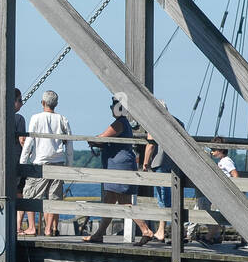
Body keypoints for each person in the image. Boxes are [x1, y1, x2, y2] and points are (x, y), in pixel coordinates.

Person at [83, 97, 154, 244]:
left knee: (124, 202)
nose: (111, 108)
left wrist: (92, 139)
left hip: (119, 167)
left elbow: (102, 138)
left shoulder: (119, 123)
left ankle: (146, 230)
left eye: (113, 106)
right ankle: (99, 234)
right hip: (118, 165)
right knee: (109, 201)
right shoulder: (124, 123)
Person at [20, 90, 74, 237]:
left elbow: (29, 142)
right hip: (58, 162)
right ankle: (48, 229)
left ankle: (32, 227)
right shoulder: (63, 119)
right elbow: (69, 144)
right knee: (54, 198)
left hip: (40, 163)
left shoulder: (36, 118)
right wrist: (69, 165)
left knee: (30, 195)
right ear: (56, 104)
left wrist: (22, 163)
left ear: (43, 103)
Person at [140, 102, 189, 244]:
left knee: (162, 198)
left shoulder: (155, 122)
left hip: (160, 162)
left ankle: (163, 232)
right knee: (174, 197)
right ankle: (174, 231)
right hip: (175, 163)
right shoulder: (179, 122)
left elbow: (151, 144)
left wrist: (145, 162)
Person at [196, 141, 241, 244]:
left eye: (213, 150)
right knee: (220, 216)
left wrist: (235, 190)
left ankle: (208, 238)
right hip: (224, 193)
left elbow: (235, 175)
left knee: (220, 217)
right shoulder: (222, 161)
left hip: (228, 193)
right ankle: (212, 237)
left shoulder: (226, 161)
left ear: (220, 150)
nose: (212, 152)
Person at [13, 87, 28, 235]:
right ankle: (17, 226)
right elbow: (22, 140)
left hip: (2, 163)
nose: (22, 103)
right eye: (20, 100)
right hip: (17, 160)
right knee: (20, 194)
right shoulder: (19, 119)